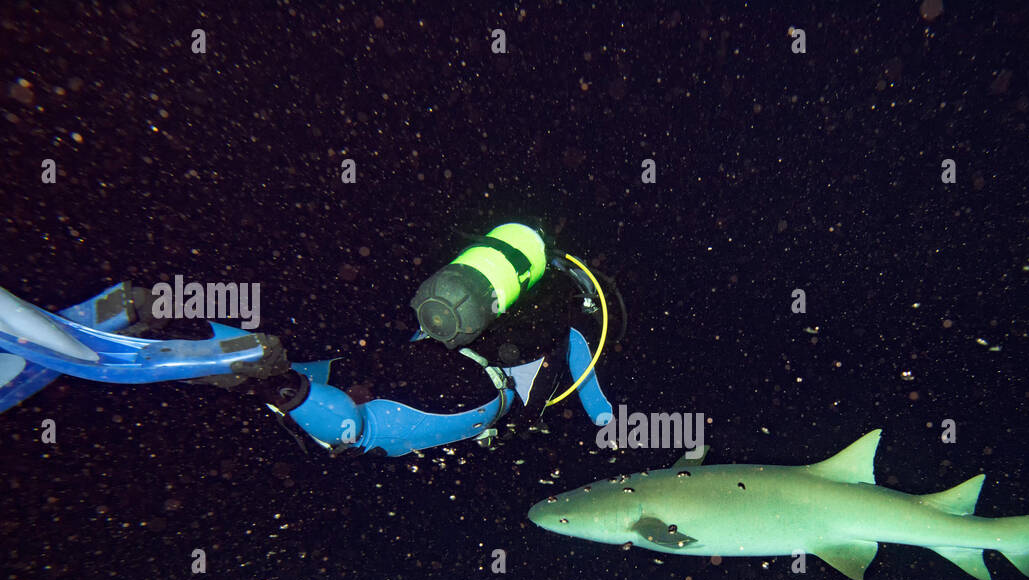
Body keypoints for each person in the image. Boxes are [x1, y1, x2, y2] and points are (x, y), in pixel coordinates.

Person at [0, 223, 621, 456]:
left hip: (417, 350)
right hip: (482, 394)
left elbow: (427, 328)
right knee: (361, 431)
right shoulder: (567, 326)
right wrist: (620, 437)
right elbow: (597, 409)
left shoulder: (486, 288)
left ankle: (163, 317)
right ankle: (274, 383)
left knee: (315, 368)